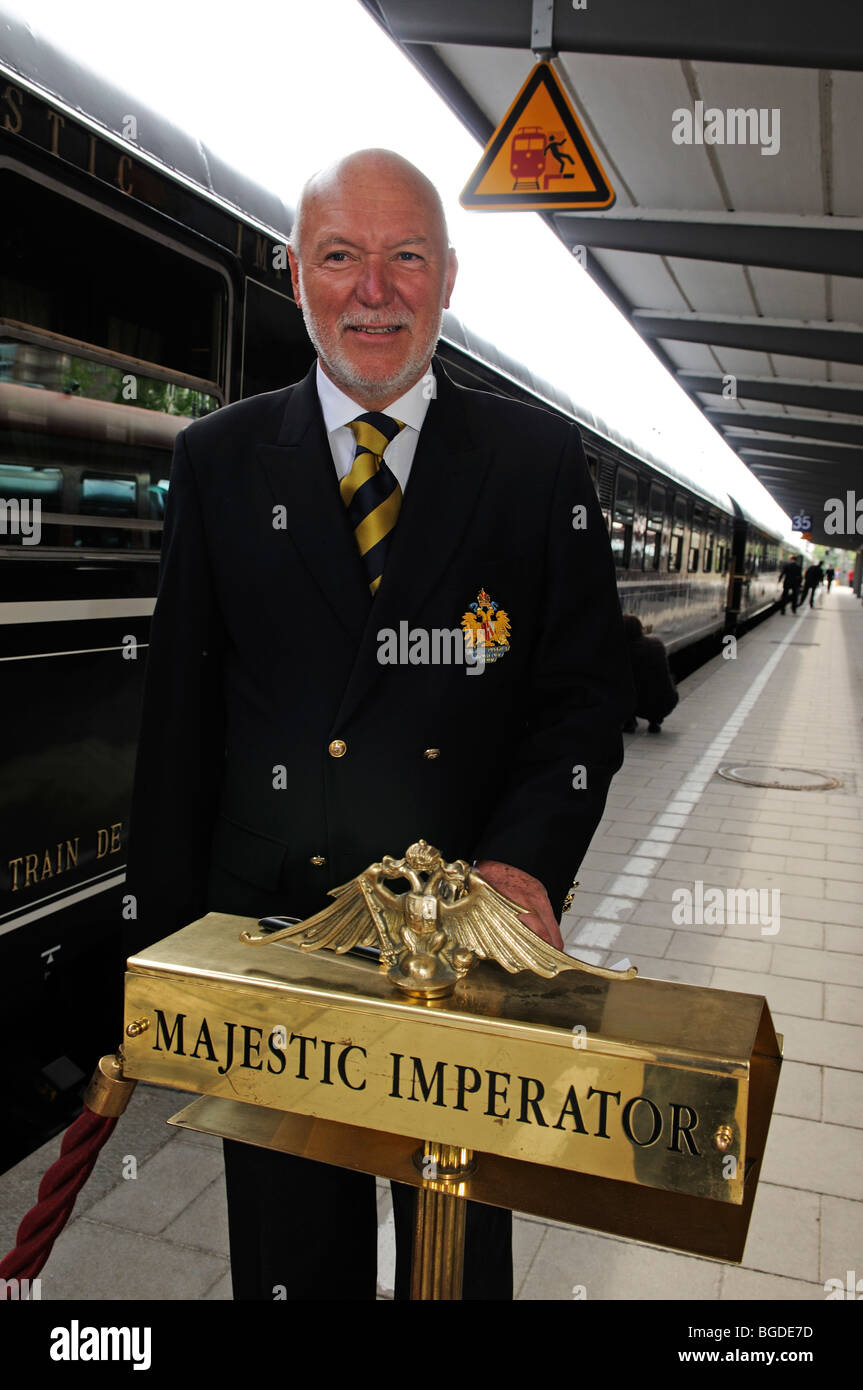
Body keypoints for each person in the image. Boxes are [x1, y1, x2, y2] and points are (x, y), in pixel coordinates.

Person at [126, 149, 632, 1301]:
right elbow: (179, 713)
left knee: (455, 1264)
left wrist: (521, 861)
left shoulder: (535, 461)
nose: (374, 289)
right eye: (341, 257)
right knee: (291, 1266)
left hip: (461, 954)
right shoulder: (215, 458)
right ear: (294, 272)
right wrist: (161, 952)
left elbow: (581, 695)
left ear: (447, 276)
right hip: (275, 950)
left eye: (405, 255)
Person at [620, 615, 678, 734]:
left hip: (638, 706)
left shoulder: (624, 651)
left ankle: (629, 722)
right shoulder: (657, 644)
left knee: (623, 685)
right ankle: (655, 721)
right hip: (667, 703)